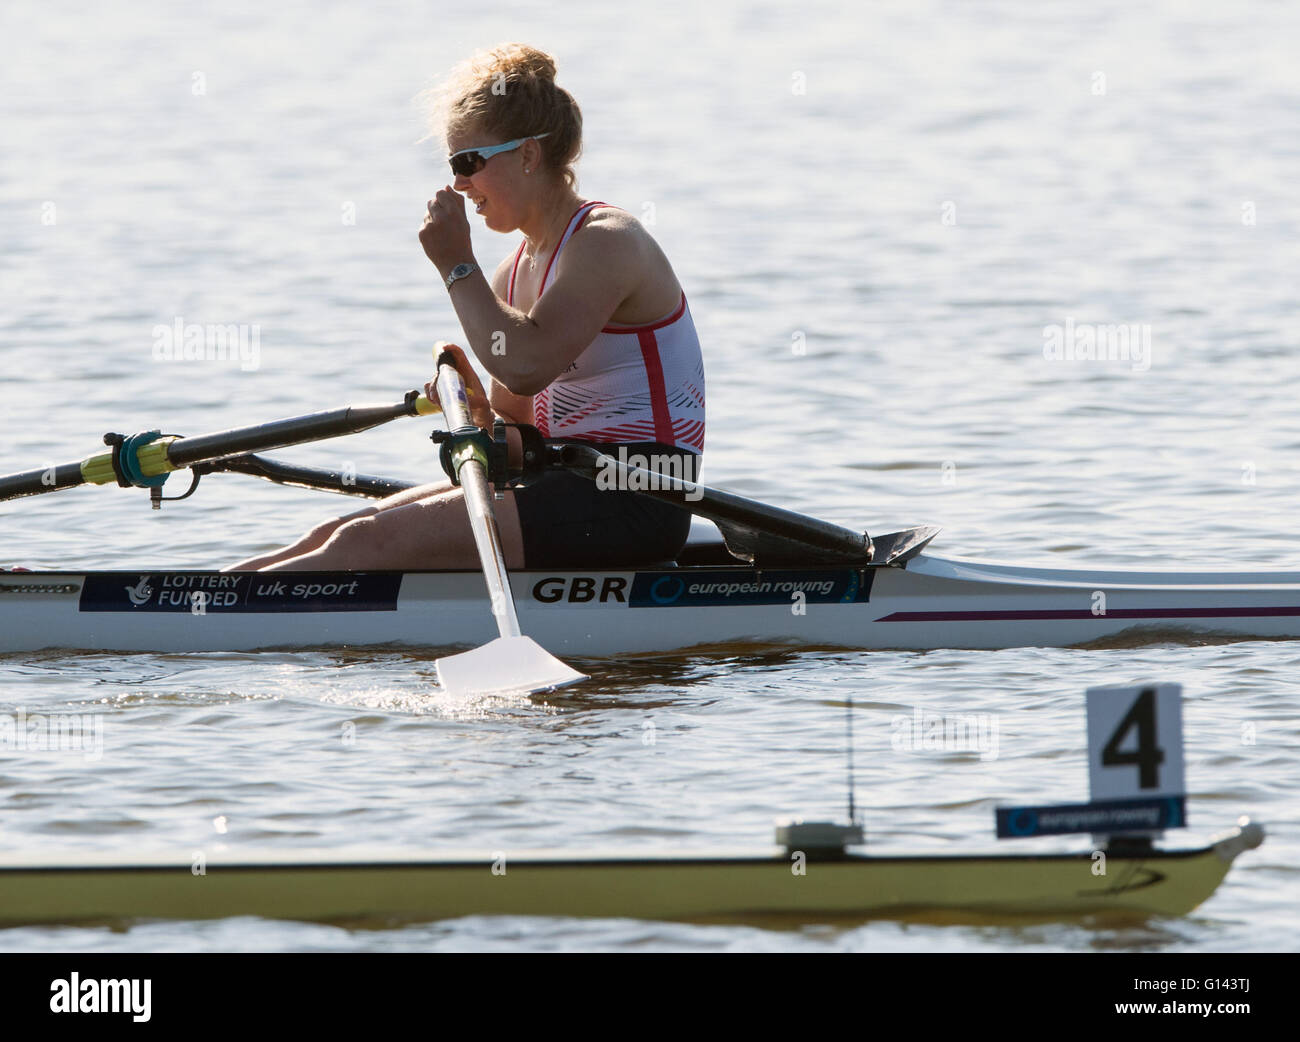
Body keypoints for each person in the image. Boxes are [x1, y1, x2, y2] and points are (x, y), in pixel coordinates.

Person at [230, 43, 704, 573]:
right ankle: (193, 599)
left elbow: (526, 366)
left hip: (639, 497)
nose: (458, 183)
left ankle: (199, 628)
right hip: (566, 485)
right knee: (335, 532)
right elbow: (520, 430)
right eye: (453, 164)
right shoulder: (512, 271)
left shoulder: (607, 241)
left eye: (469, 162)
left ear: (528, 155)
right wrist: (479, 416)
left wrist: (456, 265)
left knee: (364, 546)